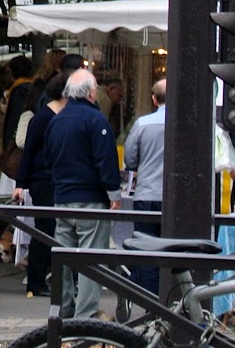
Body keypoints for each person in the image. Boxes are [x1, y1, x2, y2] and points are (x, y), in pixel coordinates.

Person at [43, 69, 123, 319]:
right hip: (90, 198)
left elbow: (48, 159)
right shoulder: (96, 120)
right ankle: (85, 316)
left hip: (62, 198)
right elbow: (105, 160)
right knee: (90, 258)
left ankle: (61, 310)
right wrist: (114, 194)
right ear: (91, 92)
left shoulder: (56, 120)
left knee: (64, 258)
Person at [15, 73, 67, 297]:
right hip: (42, 178)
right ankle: (35, 281)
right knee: (45, 228)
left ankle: (49, 279)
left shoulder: (64, 116)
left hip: (57, 177)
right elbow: (28, 151)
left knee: (55, 228)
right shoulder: (42, 117)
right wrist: (20, 183)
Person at [119, 78, 167, 314]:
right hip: (176, 198)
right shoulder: (187, 123)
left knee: (147, 250)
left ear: (153, 99)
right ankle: (170, 302)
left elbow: (130, 160)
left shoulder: (142, 124)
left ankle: (151, 303)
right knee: (175, 249)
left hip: (147, 193)